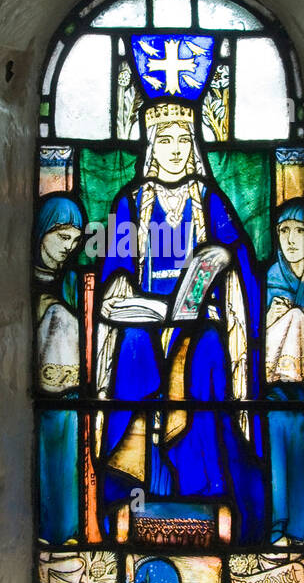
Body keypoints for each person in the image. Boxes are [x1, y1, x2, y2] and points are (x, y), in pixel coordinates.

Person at [95, 67, 265, 542]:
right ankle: (136, 489)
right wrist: (121, 289)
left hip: (198, 322)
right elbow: (114, 265)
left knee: (208, 349)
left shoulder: (210, 202)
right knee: (132, 347)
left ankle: (202, 489)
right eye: (164, 138)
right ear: (150, 144)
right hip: (144, 321)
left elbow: (244, 261)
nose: (174, 148)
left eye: (183, 139)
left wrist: (224, 257)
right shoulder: (131, 203)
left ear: (193, 145)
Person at [34, 195, 86, 544]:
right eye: (61, 236)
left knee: (68, 467)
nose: (69, 247)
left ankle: (67, 532)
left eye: (75, 239)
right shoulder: (24, 280)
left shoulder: (73, 281)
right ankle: (49, 531)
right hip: (41, 404)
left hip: (70, 401)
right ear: (41, 233)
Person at [265, 199, 304, 543]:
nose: (290, 240)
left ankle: (298, 531)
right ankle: (277, 528)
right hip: (273, 396)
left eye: (300, 231)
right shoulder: (269, 279)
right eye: (283, 231)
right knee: (277, 463)